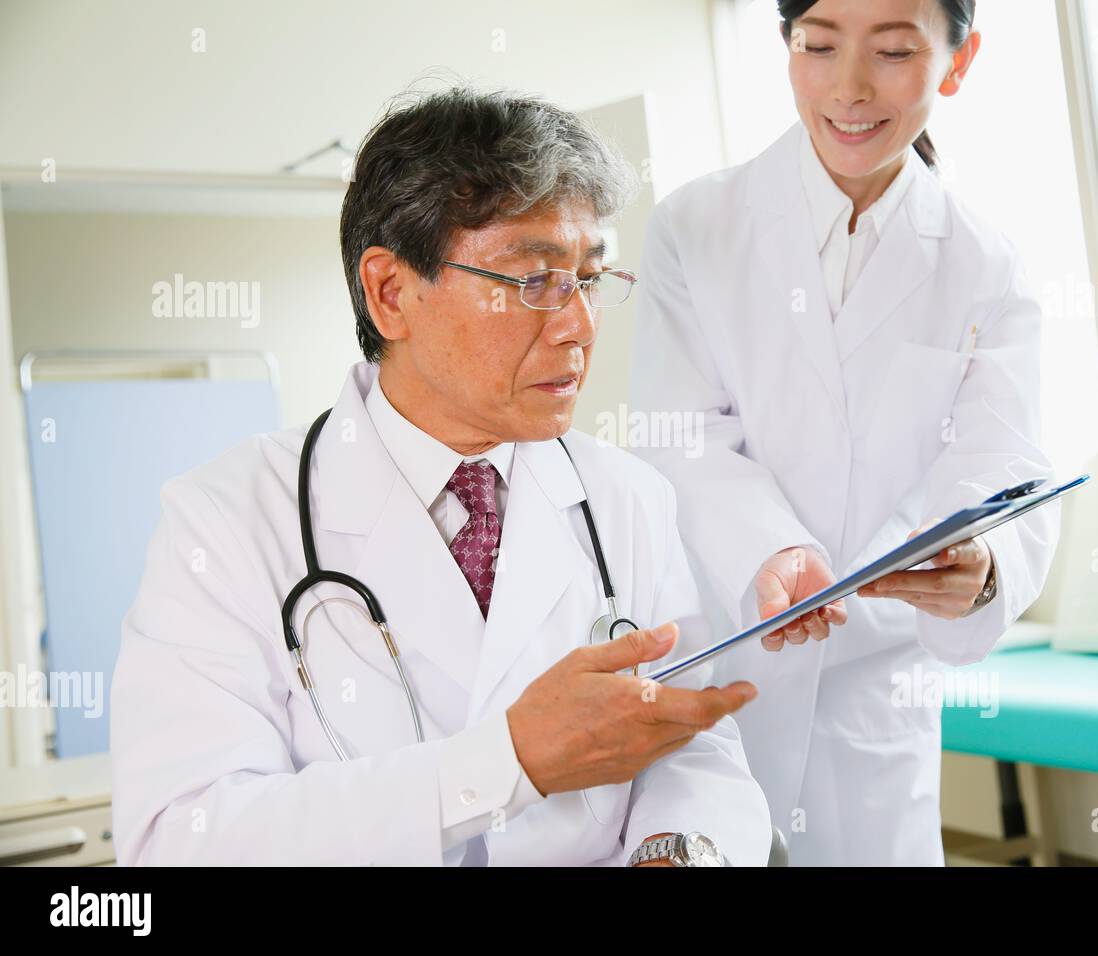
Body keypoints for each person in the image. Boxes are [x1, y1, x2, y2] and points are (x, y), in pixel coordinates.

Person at [111, 88, 770, 867]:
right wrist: (504, 764)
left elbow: (688, 742)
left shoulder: (626, 498)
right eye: (533, 282)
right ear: (391, 293)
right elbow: (178, 841)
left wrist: (678, 848)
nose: (580, 325)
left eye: (589, 278)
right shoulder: (223, 521)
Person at [630, 0, 1058, 865]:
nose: (849, 87)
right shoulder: (695, 226)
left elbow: (1003, 462)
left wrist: (979, 571)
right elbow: (680, 435)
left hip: (877, 690)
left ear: (957, 61)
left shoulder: (985, 266)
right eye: (818, 46)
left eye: (894, 51)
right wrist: (775, 552)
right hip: (725, 657)